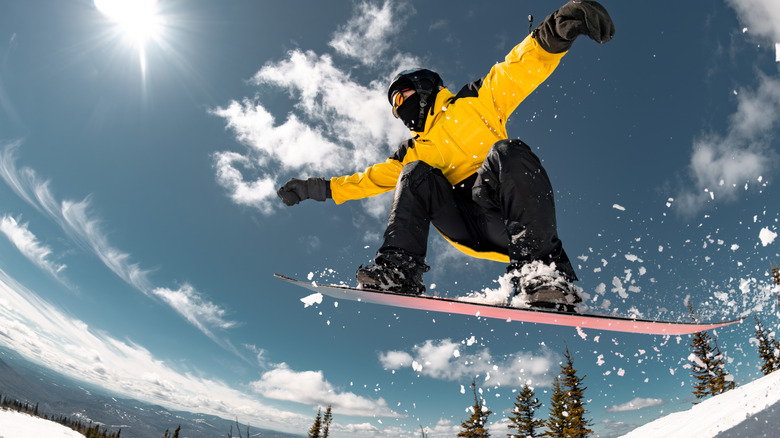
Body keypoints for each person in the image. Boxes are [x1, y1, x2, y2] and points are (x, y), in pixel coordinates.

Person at [277, 1, 614, 309]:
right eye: (394, 107)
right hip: (461, 223)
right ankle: (400, 273)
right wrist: (315, 188)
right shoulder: (414, 150)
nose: (398, 109)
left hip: (503, 212)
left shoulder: (476, 100)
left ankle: (543, 273)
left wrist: (555, 29)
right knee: (414, 173)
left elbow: (518, 68)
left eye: (401, 96)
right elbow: (368, 181)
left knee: (507, 151)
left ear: (424, 87)